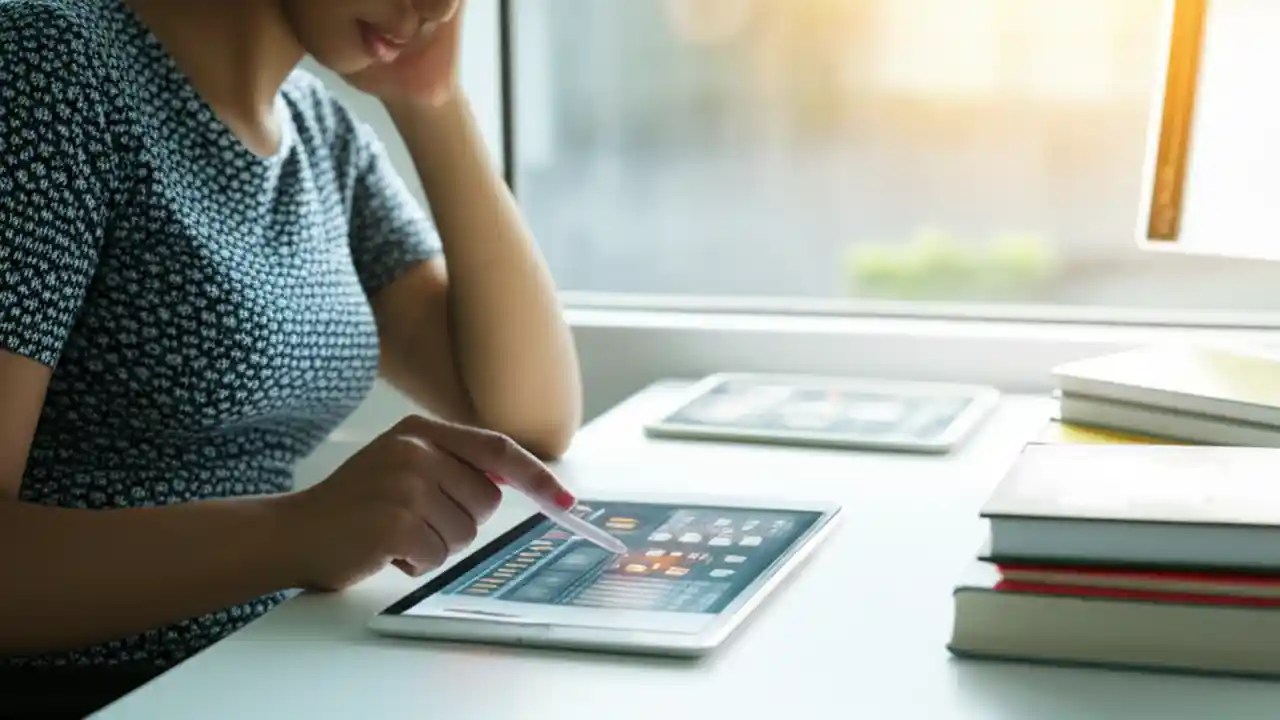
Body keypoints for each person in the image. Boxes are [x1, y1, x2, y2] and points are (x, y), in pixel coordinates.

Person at [0, 0, 583, 714]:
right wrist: (300, 532)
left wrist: (433, 103)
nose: (436, 7)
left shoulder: (320, 132)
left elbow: (528, 415)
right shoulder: (47, 66)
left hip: (263, 670)